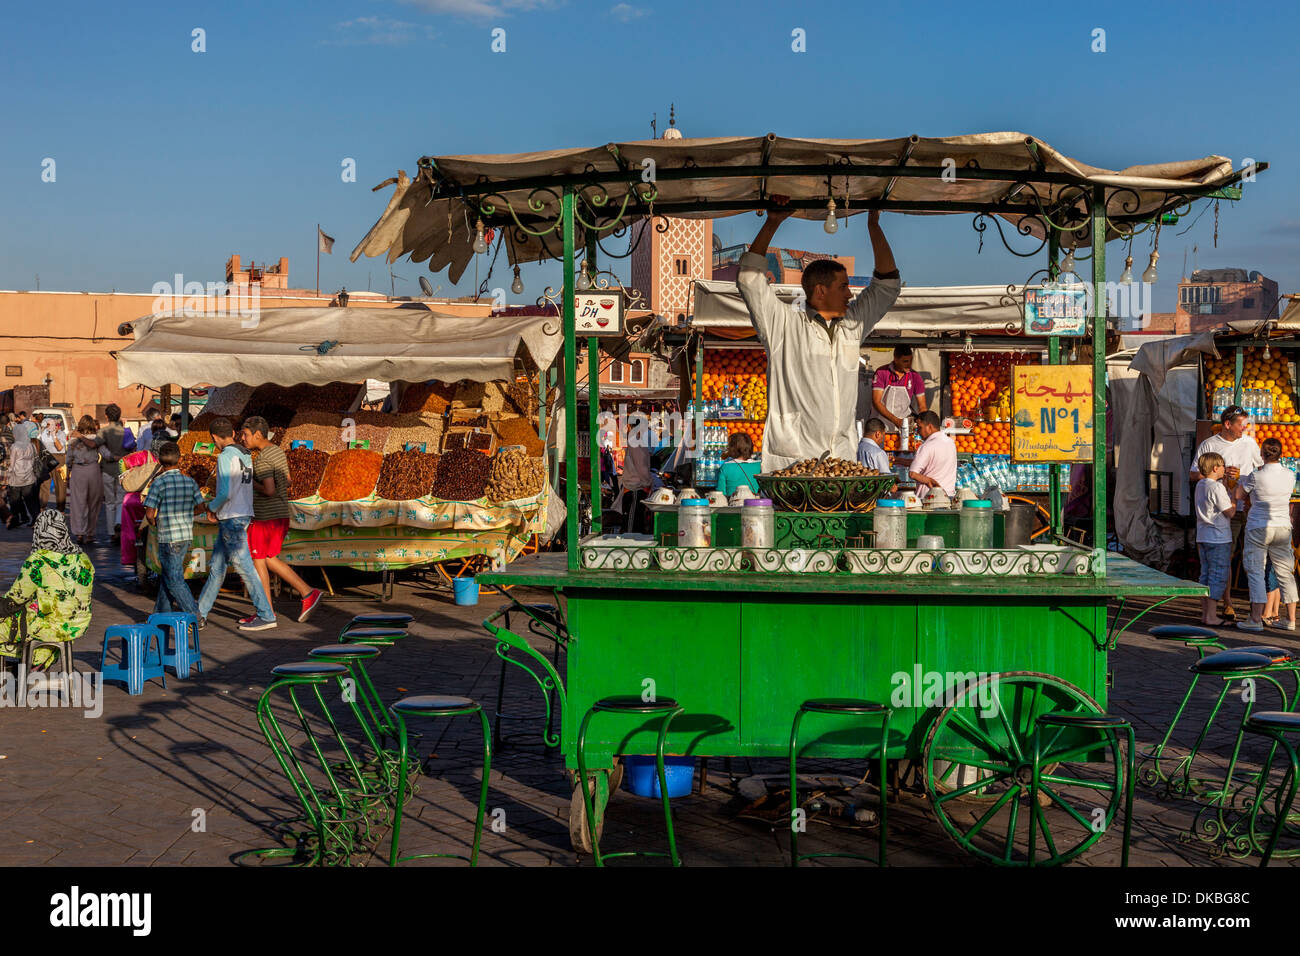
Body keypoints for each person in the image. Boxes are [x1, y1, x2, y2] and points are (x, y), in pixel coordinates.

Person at [737, 201, 900, 471]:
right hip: (793, 461)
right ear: (821, 291)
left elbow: (887, 286)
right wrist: (772, 222)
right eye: (844, 286)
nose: (850, 294)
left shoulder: (853, 325)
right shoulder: (784, 325)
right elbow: (749, 280)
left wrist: (874, 226)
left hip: (842, 461)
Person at [196, 418, 277, 630]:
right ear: (233, 432)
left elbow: (225, 492)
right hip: (242, 514)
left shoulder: (224, 456)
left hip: (232, 517)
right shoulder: (245, 454)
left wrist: (211, 507)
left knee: (245, 567)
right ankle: (199, 614)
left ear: (214, 438)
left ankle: (266, 615)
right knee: (217, 568)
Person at [240, 417, 323, 623]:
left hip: (265, 517)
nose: (242, 438)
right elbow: (286, 481)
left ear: (257, 434)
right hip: (280, 516)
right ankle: (304, 594)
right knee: (267, 558)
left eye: (245, 434)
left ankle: (266, 612)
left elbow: (269, 490)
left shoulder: (262, 460)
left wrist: (249, 483)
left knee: (258, 561)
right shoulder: (277, 451)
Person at [1190, 405, 1263, 620]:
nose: (1245, 428)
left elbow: (1260, 468)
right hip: (1225, 511)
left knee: (1251, 557)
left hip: (1247, 507)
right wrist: (1220, 480)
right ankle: (1227, 604)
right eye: (1241, 424)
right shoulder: (1209, 444)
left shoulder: (1249, 443)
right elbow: (1194, 474)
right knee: (1224, 560)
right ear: (1228, 424)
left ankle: (1255, 608)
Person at [0, 510, 94, 670]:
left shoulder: (38, 561)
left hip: (46, 626)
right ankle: (38, 660)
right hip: (76, 625)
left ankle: (22, 665)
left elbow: (15, 599)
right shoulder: (82, 558)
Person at [1233, 436, 1297, 631]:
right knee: (1285, 573)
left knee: (1255, 571)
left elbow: (1238, 495)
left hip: (1258, 527)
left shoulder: (1256, 475)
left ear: (1262, 455)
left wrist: (1238, 481)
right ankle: (1291, 619)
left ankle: (1255, 619)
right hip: (1282, 527)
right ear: (1281, 454)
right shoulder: (1290, 474)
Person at [143, 441, 205, 625]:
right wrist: (187, 515)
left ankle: (196, 616)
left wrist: (155, 522)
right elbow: (200, 507)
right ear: (179, 459)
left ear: (160, 462)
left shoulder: (158, 483)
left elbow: (149, 513)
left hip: (168, 537)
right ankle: (160, 615)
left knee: (174, 578)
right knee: (168, 575)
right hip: (185, 536)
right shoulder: (189, 481)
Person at [1194, 452, 1236, 626]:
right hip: (1218, 537)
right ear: (1215, 468)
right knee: (1218, 575)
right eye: (1222, 466)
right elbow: (1230, 512)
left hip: (1203, 535)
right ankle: (1211, 616)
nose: (1225, 469)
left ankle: (1206, 614)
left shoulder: (1200, 485)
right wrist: (1235, 497)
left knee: (1205, 574)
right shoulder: (1216, 487)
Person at [118, 445, 159, 568]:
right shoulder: (164, 462)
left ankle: (129, 557)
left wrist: (127, 475)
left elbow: (121, 463)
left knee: (130, 528)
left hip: (132, 500)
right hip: (146, 500)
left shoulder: (142, 455)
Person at [66, 416, 104, 545]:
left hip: (78, 470)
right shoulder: (97, 438)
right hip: (93, 470)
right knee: (93, 503)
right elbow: (105, 453)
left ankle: (79, 532)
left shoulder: (73, 439)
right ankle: (90, 533)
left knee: (78, 503)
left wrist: (68, 473)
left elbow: (68, 459)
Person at [872, 347, 927, 434]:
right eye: (905, 361)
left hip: (904, 425)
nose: (909, 364)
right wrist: (896, 420)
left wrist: (923, 424)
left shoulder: (915, 377)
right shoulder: (881, 372)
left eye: (910, 361)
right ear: (895, 359)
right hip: (880, 423)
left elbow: (922, 407)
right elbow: (876, 401)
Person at [617, 413, 655, 533]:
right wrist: (648, 482)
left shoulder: (635, 441)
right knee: (633, 521)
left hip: (636, 488)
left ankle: (630, 545)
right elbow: (642, 465)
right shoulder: (635, 441)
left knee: (633, 522)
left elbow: (641, 466)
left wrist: (647, 482)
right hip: (635, 487)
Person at [908, 411, 958, 499]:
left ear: (929, 427)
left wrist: (929, 481)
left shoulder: (926, 446)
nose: (918, 431)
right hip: (948, 495)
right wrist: (898, 460)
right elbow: (931, 463)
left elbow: (912, 473)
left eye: (920, 427)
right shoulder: (951, 443)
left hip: (929, 497)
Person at [98, 403, 128, 544]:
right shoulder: (126, 432)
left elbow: (97, 445)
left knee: (109, 502)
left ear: (106, 416)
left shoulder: (103, 432)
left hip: (108, 470)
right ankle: (119, 526)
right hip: (123, 470)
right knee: (121, 500)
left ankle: (112, 532)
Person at [4, 417, 40, 528]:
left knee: (15, 500)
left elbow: (12, 463)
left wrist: (7, 475)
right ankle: (35, 518)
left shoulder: (15, 447)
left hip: (16, 477)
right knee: (29, 500)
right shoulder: (31, 445)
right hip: (29, 476)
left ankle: (16, 519)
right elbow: (34, 460)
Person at [716, 432, 762, 497]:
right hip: (754, 504)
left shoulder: (725, 467)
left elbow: (720, 493)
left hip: (733, 504)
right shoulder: (759, 466)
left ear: (732, 449)